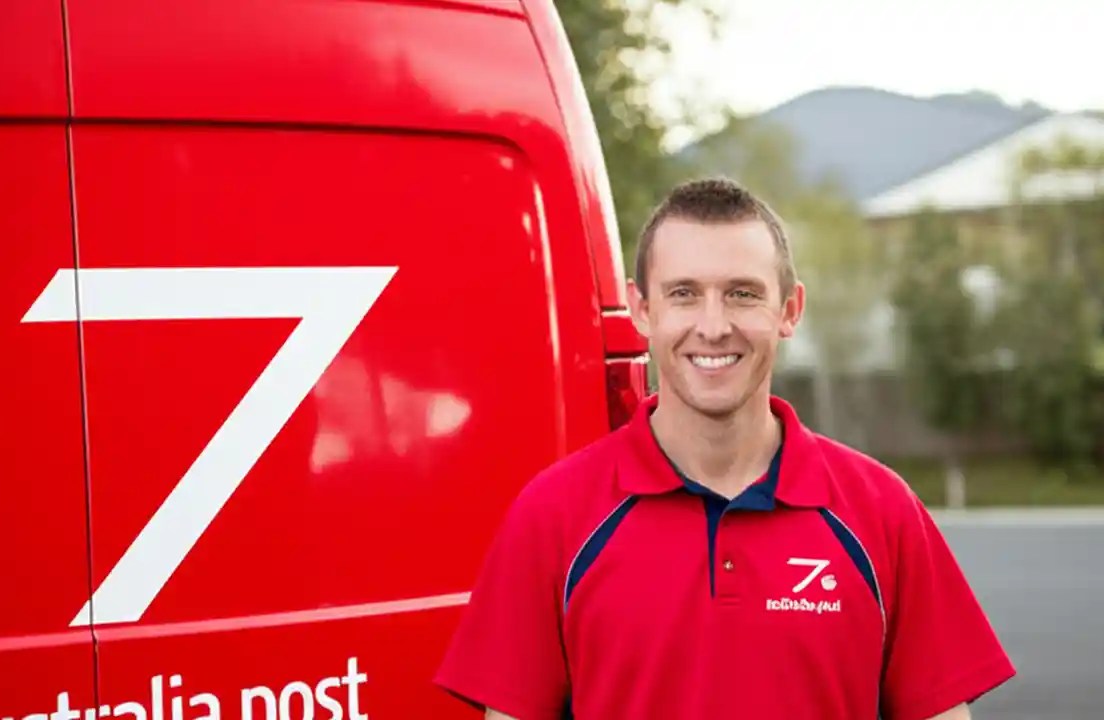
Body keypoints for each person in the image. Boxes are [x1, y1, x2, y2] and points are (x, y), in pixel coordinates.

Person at [434, 177, 1016, 719]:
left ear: (788, 310)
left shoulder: (882, 512)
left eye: (742, 294)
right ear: (642, 310)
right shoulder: (553, 516)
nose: (713, 326)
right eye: (684, 293)